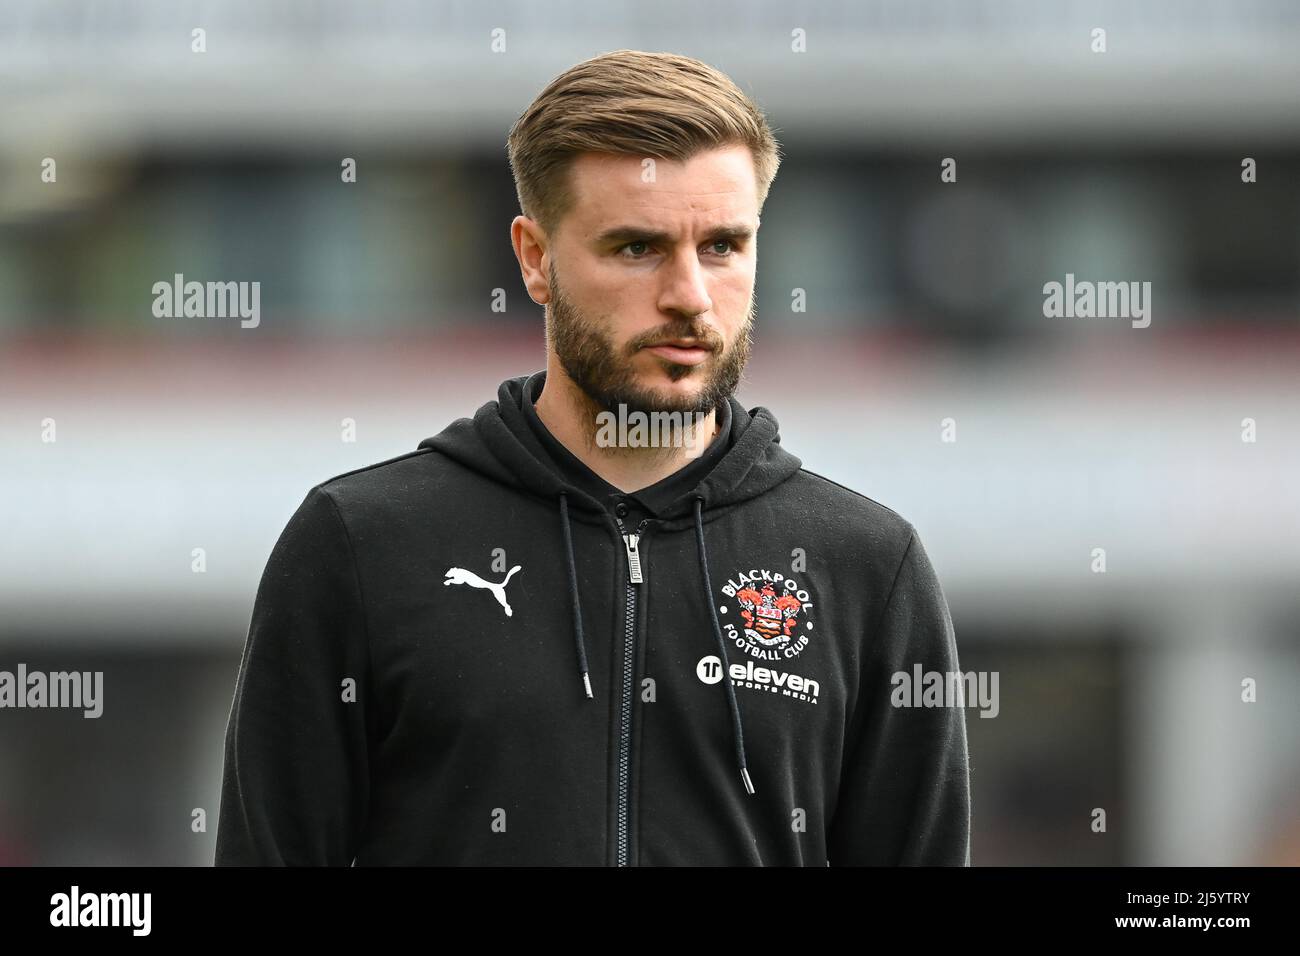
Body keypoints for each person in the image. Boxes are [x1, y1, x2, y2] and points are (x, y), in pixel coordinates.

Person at [215, 49, 970, 866]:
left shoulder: (866, 566)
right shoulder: (361, 544)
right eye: (637, 248)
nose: (688, 295)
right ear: (535, 260)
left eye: (722, 246)